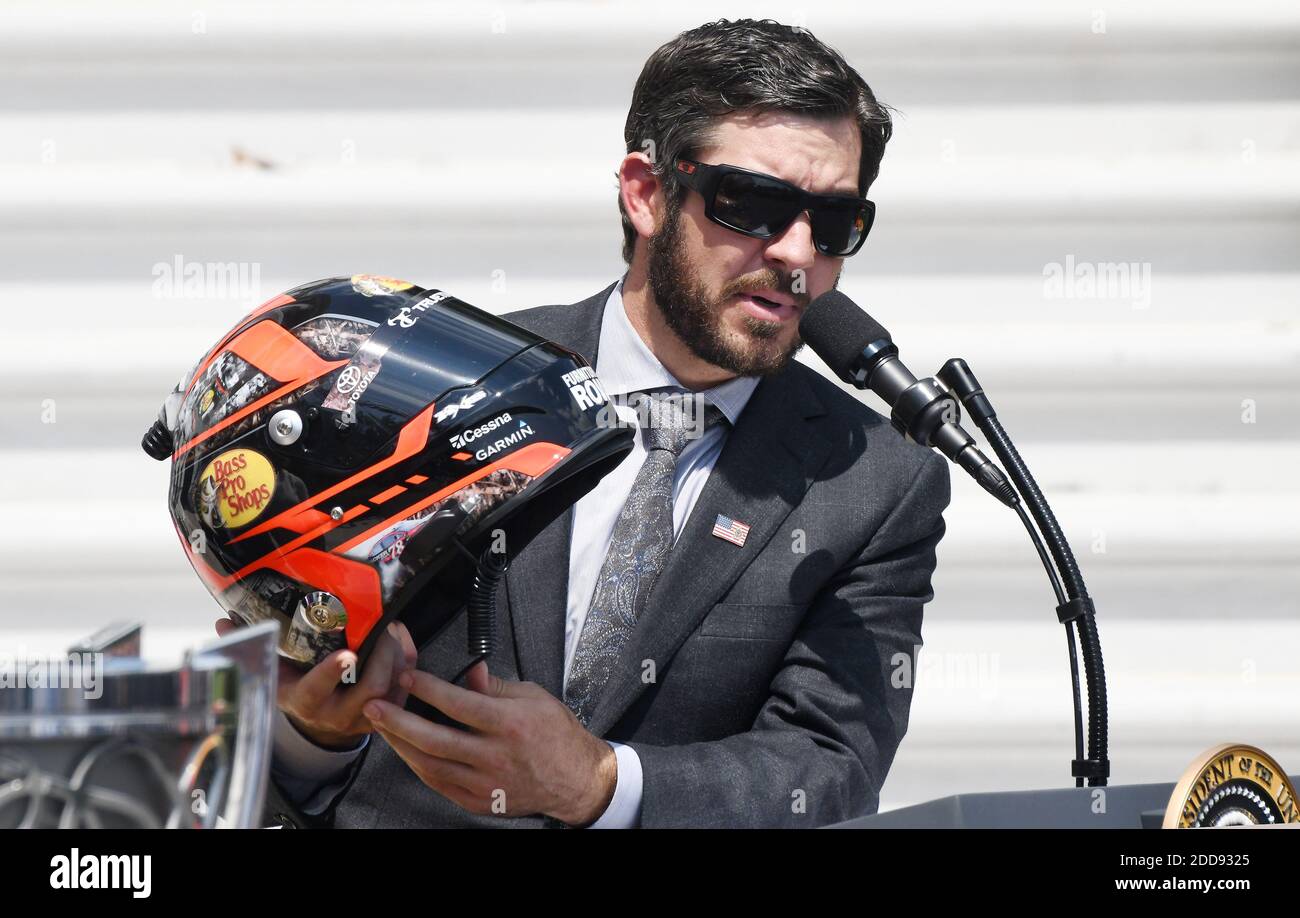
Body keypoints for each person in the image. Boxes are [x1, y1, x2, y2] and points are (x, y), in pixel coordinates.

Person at [247, 17, 950, 829]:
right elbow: (300, 707)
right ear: (647, 193)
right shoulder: (440, 379)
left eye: (833, 225)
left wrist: (602, 786)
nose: (798, 253)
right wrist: (310, 734)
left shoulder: (875, 480)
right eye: (755, 205)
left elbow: (830, 767)